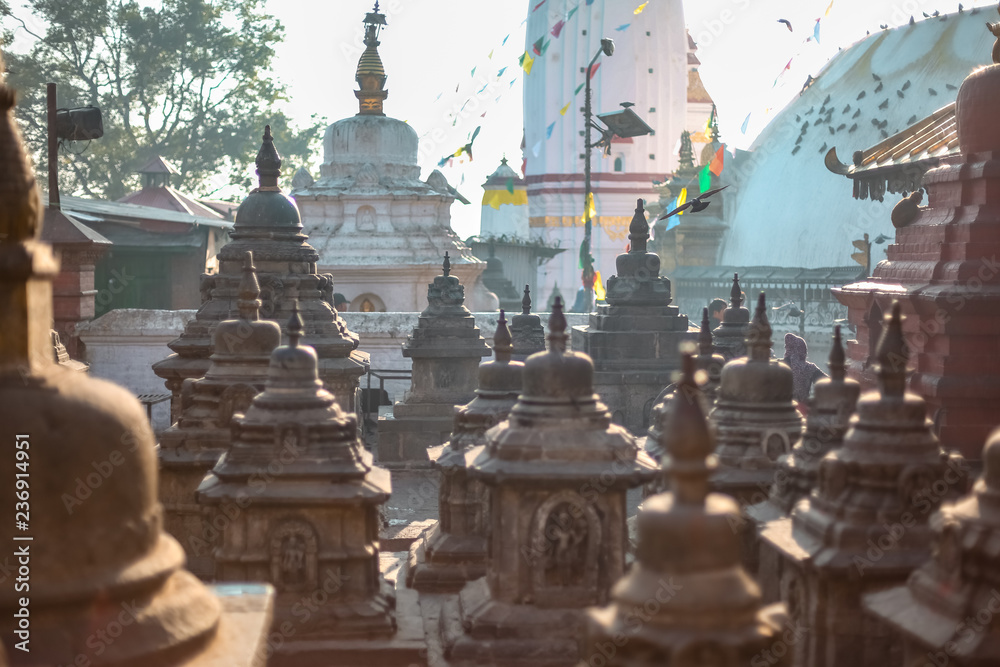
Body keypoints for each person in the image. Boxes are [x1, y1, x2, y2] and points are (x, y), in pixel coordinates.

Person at [783, 333, 827, 412]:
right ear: (803, 350)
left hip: (781, 411)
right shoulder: (809, 368)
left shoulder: (778, 366)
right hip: (801, 410)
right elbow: (827, 382)